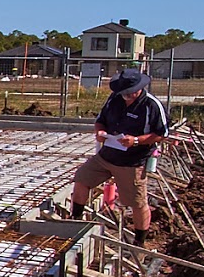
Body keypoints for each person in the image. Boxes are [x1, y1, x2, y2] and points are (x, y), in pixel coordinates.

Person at [69, 67, 169, 244]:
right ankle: (73, 220)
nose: (126, 96)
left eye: (130, 93)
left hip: (131, 163)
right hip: (106, 156)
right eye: (124, 93)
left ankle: (140, 240)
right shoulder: (115, 98)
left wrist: (136, 141)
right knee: (81, 179)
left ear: (139, 89)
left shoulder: (152, 105)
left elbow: (162, 134)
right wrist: (100, 132)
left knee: (137, 203)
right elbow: (100, 121)